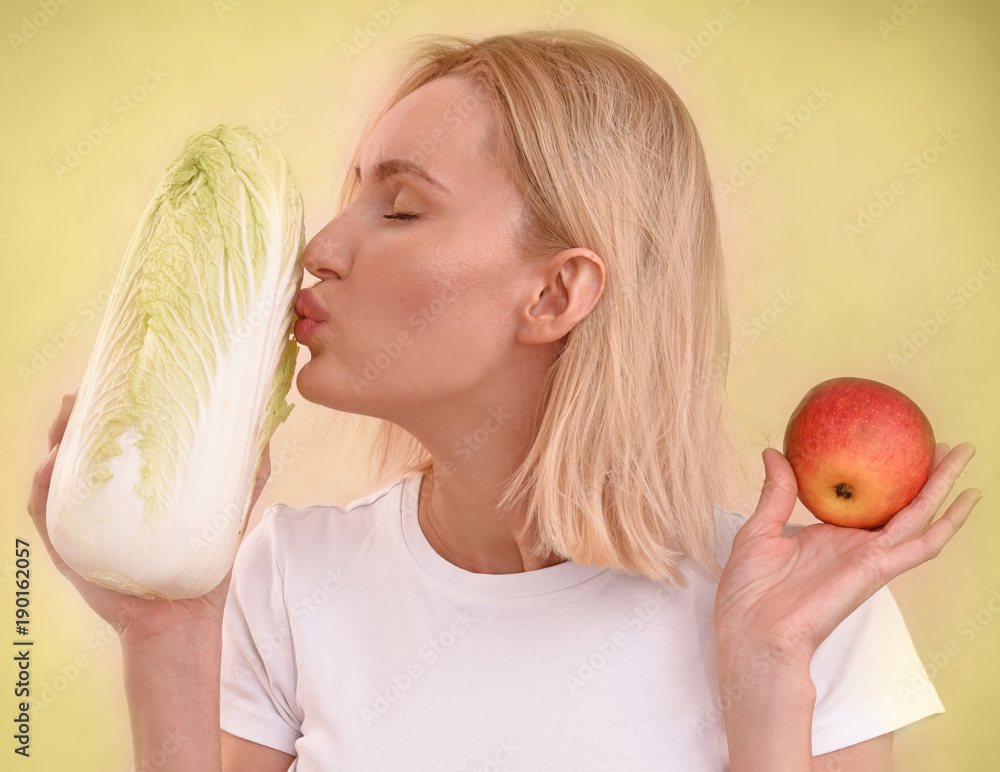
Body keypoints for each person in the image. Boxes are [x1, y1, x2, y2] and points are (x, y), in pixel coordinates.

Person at [28, 28, 981, 771]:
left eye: (398, 209)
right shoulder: (289, 576)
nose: (320, 248)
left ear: (555, 293)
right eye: (352, 194)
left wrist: (769, 676)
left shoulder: (801, 614)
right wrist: (165, 632)